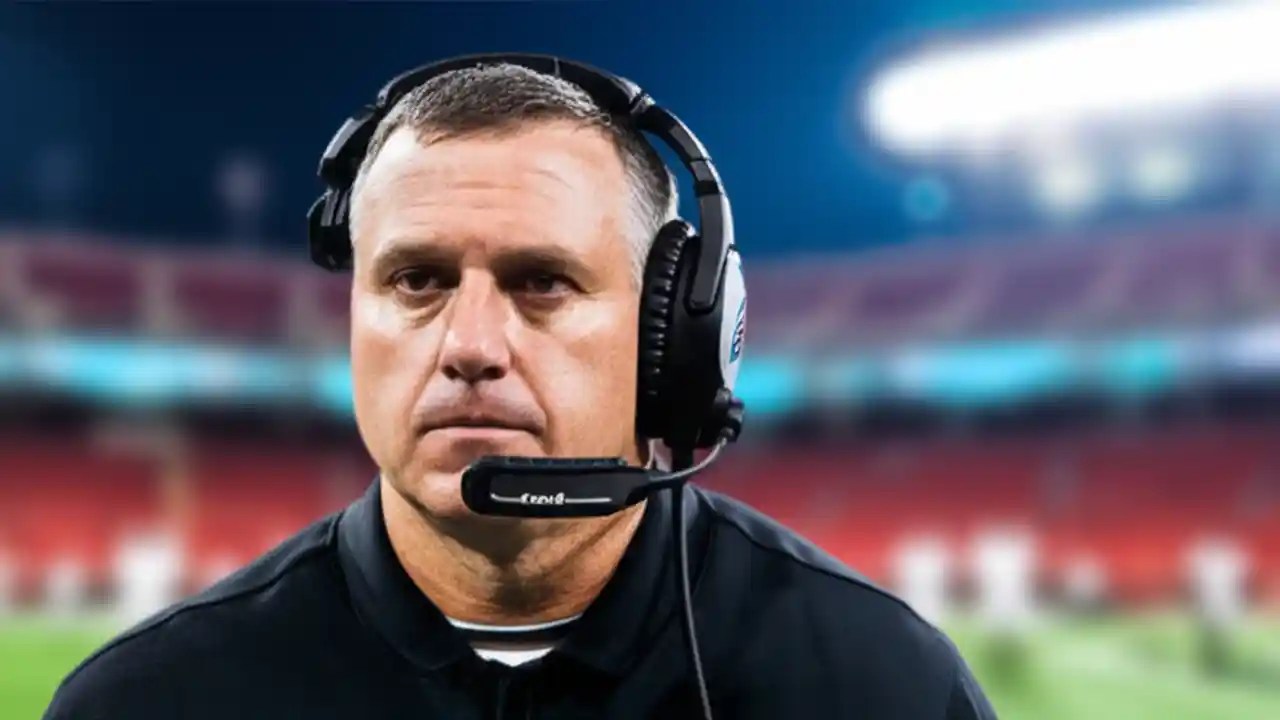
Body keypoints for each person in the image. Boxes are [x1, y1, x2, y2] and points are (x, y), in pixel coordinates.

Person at [43, 54, 996, 719]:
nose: (470, 344)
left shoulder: (884, 687)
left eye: (542, 282)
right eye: (416, 280)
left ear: (676, 335)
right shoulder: (150, 701)